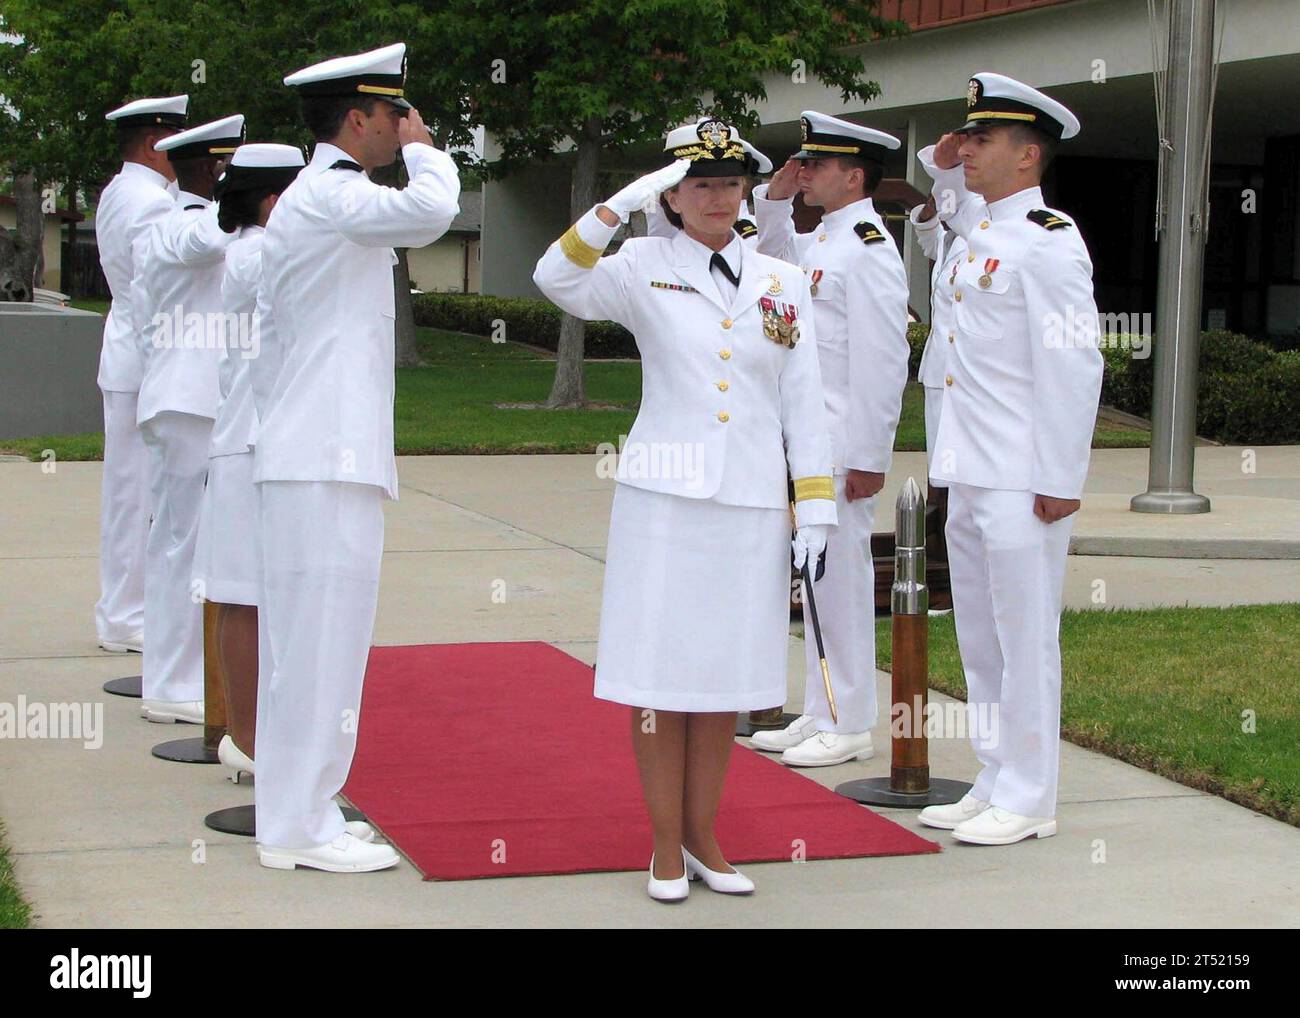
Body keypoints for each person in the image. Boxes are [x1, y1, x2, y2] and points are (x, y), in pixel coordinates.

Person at [533, 117, 837, 902]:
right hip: (665, 502)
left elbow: (803, 403)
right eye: (699, 183)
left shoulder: (782, 280)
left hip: (747, 504)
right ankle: (663, 843)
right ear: (671, 194)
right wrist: (614, 207)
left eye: (730, 183)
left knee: (726, 678)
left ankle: (705, 835)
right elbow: (554, 279)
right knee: (661, 678)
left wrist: (817, 508)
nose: (716, 197)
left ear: (746, 191)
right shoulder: (639, 264)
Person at [250, 42, 460, 874]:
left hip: (322, 454)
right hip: (320, 458)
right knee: (319, 647)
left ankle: (302, 811)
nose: (404, 125)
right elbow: (432, 214)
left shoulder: (329, 197)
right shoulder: (333, 195)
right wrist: (429, 150)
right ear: (360, 118)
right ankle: (297, 828)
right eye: (395, 113)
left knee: (318, 646)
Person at [913, 73, 1103, 845]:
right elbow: (943, 182)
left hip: (1024, 474)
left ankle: (1030, 796)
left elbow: (1073, 363)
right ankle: (994, 773)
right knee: (981, 635)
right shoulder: (977, 235)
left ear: (1028, 156)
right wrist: (948, 159)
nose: (968, 151)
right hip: (969, 466)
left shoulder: (1049, 240)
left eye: (983, 139)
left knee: (1025, 639)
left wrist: (1060, 478)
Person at [747, 112, 910, 767]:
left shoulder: (868, 246)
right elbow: (772, 275)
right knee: (814, 576)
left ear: (854, 174)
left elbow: (881, 358)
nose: (805, 171)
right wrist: (776, 203)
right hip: (810, 442)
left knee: (839, 579)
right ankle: (820, 710)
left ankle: (849, 721)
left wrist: (871, 456)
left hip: (843, 448)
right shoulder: (825, 240)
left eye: (817, 164)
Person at [190, 143, 306, 782]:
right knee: (246, 596)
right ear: (272, 199)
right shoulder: (259, 253)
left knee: (252, 597)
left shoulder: (248, 251)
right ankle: (249, 737)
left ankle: (252, 734)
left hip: (253, 436)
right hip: (250, 441)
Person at [132, 114, 245, 723]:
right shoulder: (173, 224)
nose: (231, 173)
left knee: (186, 544)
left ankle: (178, 675)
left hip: (200, 400)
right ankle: (173, 682)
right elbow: (204, 243)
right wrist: (239, 203)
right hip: (187, 400)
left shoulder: (201, 220)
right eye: (225, 164)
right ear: (204, 166)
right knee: (182, 546)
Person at [94, 95, 189, 654]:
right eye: (175, 145)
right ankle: (128, 614)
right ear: (155, 146)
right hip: (147, 358)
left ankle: (124, 608)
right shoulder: (150, 203)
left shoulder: (121, 191)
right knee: (140, 494)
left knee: (130, 492)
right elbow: (157, 290)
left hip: (127, 354)